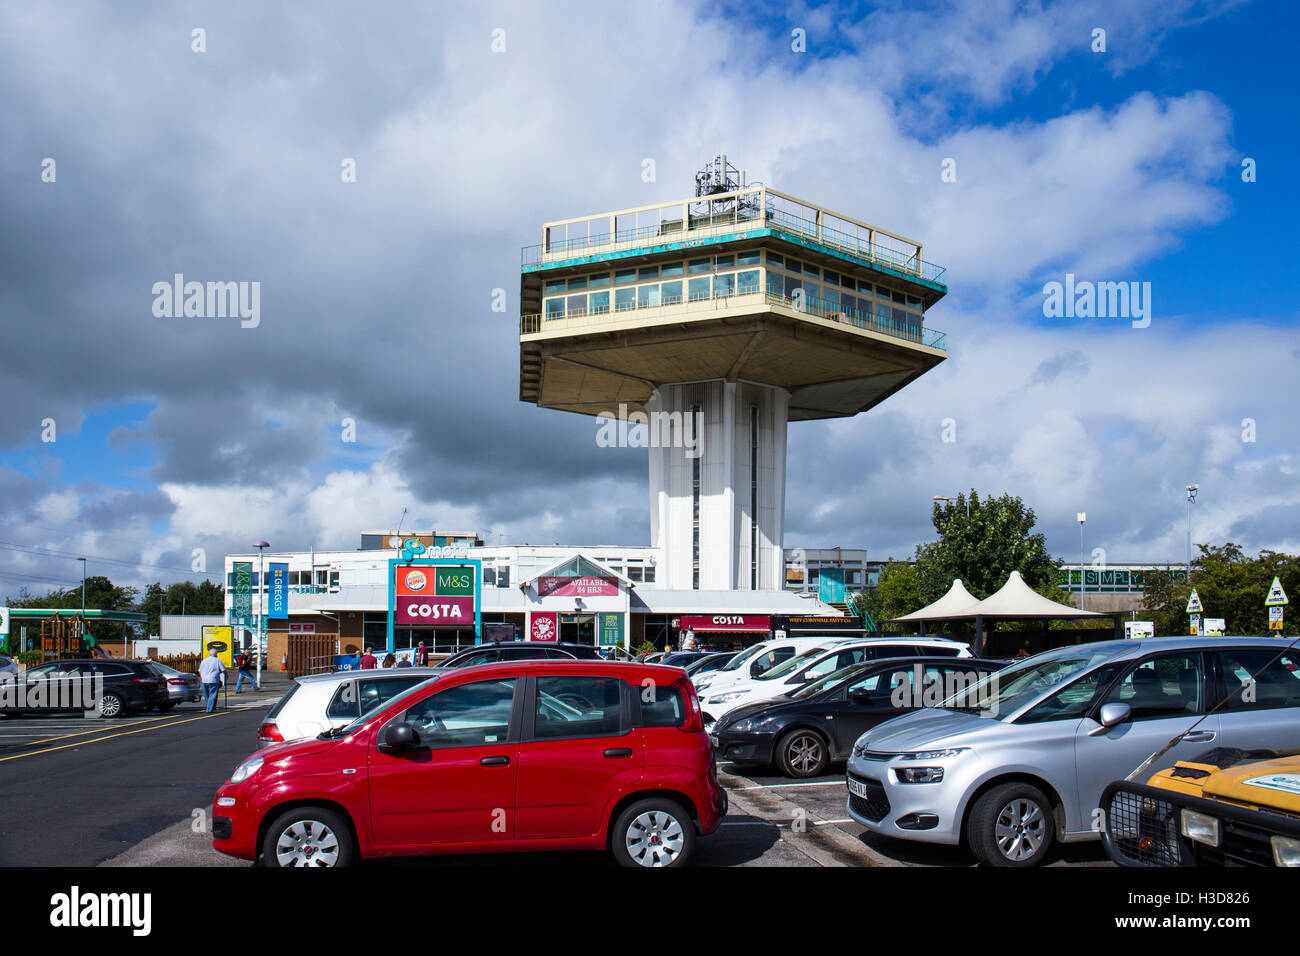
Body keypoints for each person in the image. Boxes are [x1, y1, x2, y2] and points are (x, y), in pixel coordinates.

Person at [198, 648, 225, 713]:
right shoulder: (217, 660)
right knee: (212, 694)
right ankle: (209, 709)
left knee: (206, 695)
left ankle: (209, 706)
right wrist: (226, 676)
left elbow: (200, 671)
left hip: (205, 680)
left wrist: (202, 678)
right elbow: (223, 670)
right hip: (213, 679)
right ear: (216, 654)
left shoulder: (204, 661)